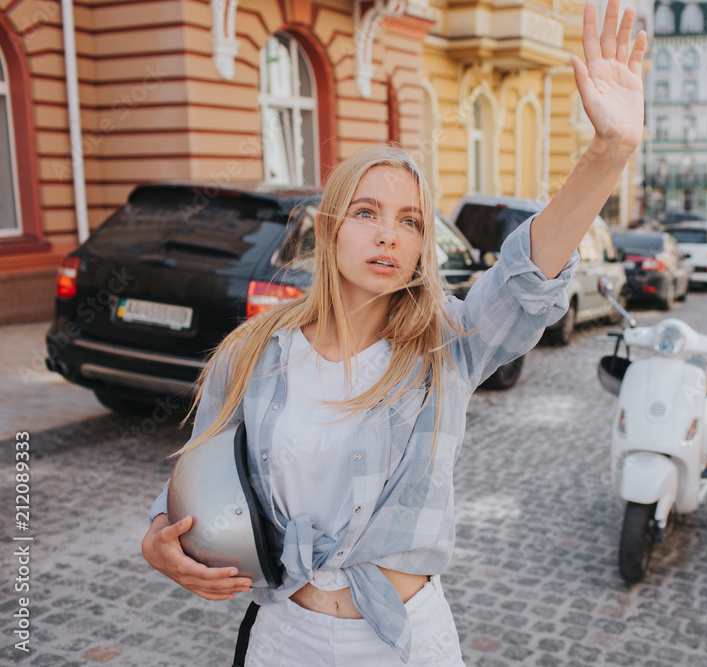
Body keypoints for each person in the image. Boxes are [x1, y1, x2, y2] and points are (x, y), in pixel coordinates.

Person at [140, 2, 645, 664]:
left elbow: (526, 275)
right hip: (284, 639)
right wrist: (158, 535)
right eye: (368, 212)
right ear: (327, 229)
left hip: (404, 642)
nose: (388, 233)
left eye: (410, 221)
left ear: (420, 246)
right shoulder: (254, 353)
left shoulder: (450, 344)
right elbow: (200, 471)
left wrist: (608, 154)